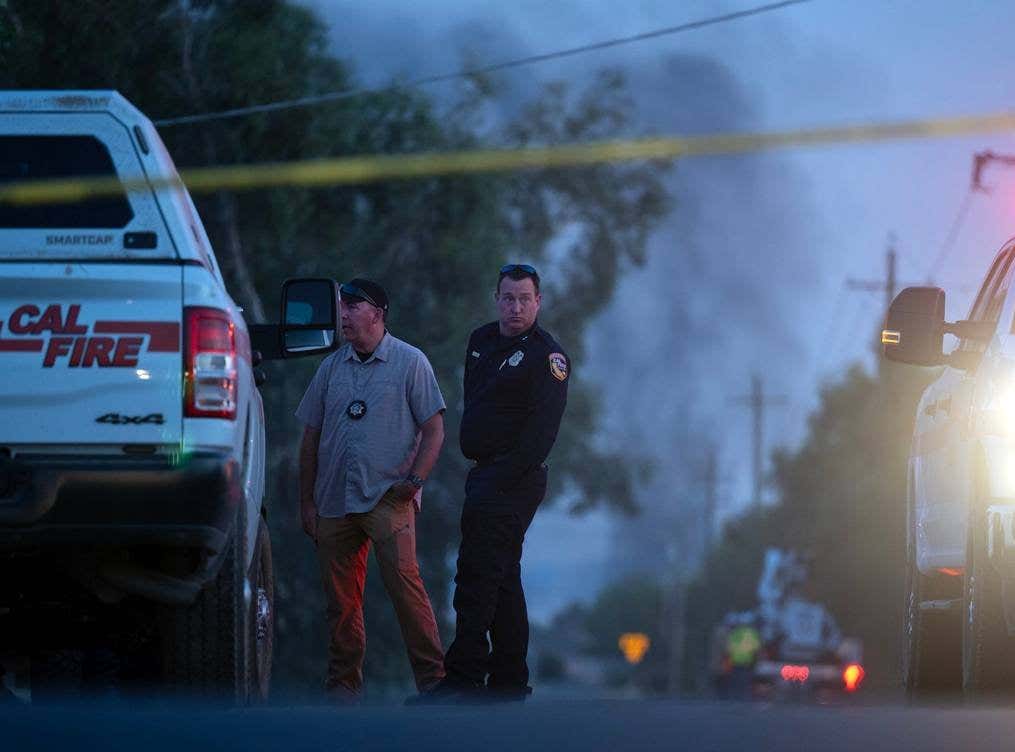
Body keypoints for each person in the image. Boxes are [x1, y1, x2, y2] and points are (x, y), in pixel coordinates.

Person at [418, 263, 569, 703]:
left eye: (524, 299)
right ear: (496, 299)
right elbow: (475, 401)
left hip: (514, 478)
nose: (515, 307)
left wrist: (501, 479)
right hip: (482, 471)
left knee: (477, 574)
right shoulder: (481, 340)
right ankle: (508, 681)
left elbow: (542, 434)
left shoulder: (548, 357)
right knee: (502, 577)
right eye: (508, 298)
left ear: (538, 302)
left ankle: (464, 677)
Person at [296, 277, 446, 701]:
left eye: (352, 307)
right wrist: (306, 501)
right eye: (342, 307)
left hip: (389, 499)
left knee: (406, 590)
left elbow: (435, 430)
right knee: (341, 603)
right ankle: (343, 688)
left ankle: (435, 683)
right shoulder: (330, 368)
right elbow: (309, 439)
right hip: (333, 501)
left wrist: (414, 483)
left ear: (377, 314)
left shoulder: (410, 362)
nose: (343, 315)